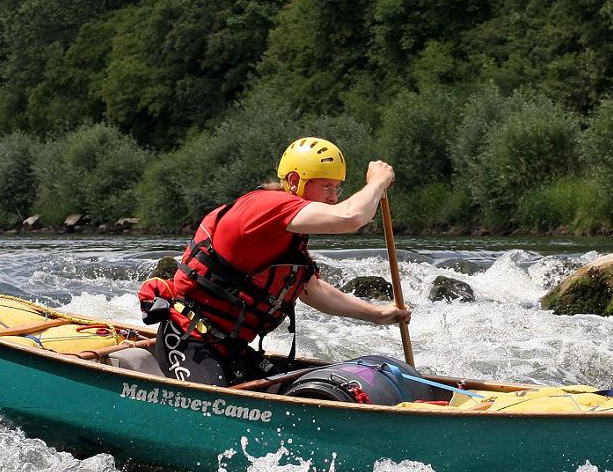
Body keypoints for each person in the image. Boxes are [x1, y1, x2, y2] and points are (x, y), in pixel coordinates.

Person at [139, 136, 412, 385]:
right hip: (189, 339)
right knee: (218, 412)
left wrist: (376, 314)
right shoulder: (267, 207)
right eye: (327, 186)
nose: (332, 197)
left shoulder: (289, 234)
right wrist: (377, 182)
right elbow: (350, 217)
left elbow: (311, 290)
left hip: (230, 347)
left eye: (337, 189)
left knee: (292, 388)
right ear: (294, 181)